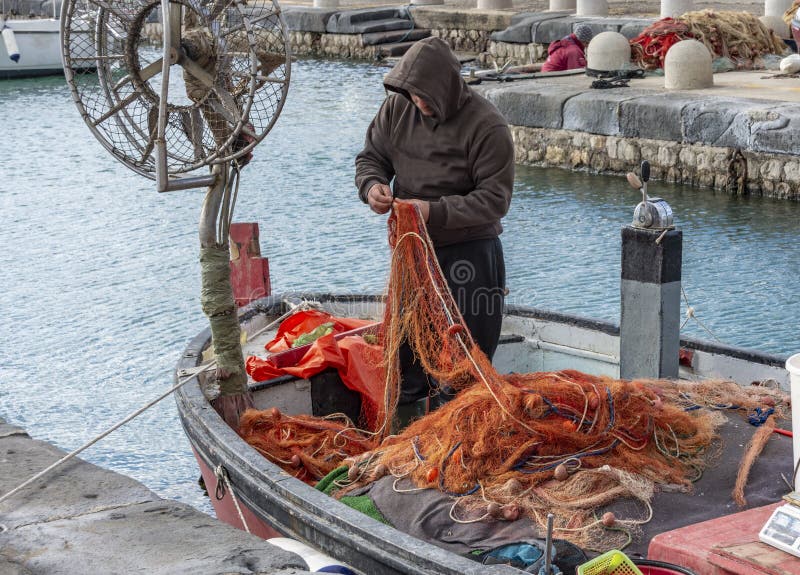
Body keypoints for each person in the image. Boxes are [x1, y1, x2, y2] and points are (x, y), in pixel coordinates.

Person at [355, 37, 514, 419]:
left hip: (470, 255)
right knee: (407, 360)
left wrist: (433, 211)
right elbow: (371, 158)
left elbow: (495, 200)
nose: (418, 103)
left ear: (446, 88)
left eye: (425, 96)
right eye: (411, 94)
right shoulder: (397, 108)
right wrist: (372, 187)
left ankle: (461, 445)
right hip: (413, 253)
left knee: (464, 369)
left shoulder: (487, 125)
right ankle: (407, 435)